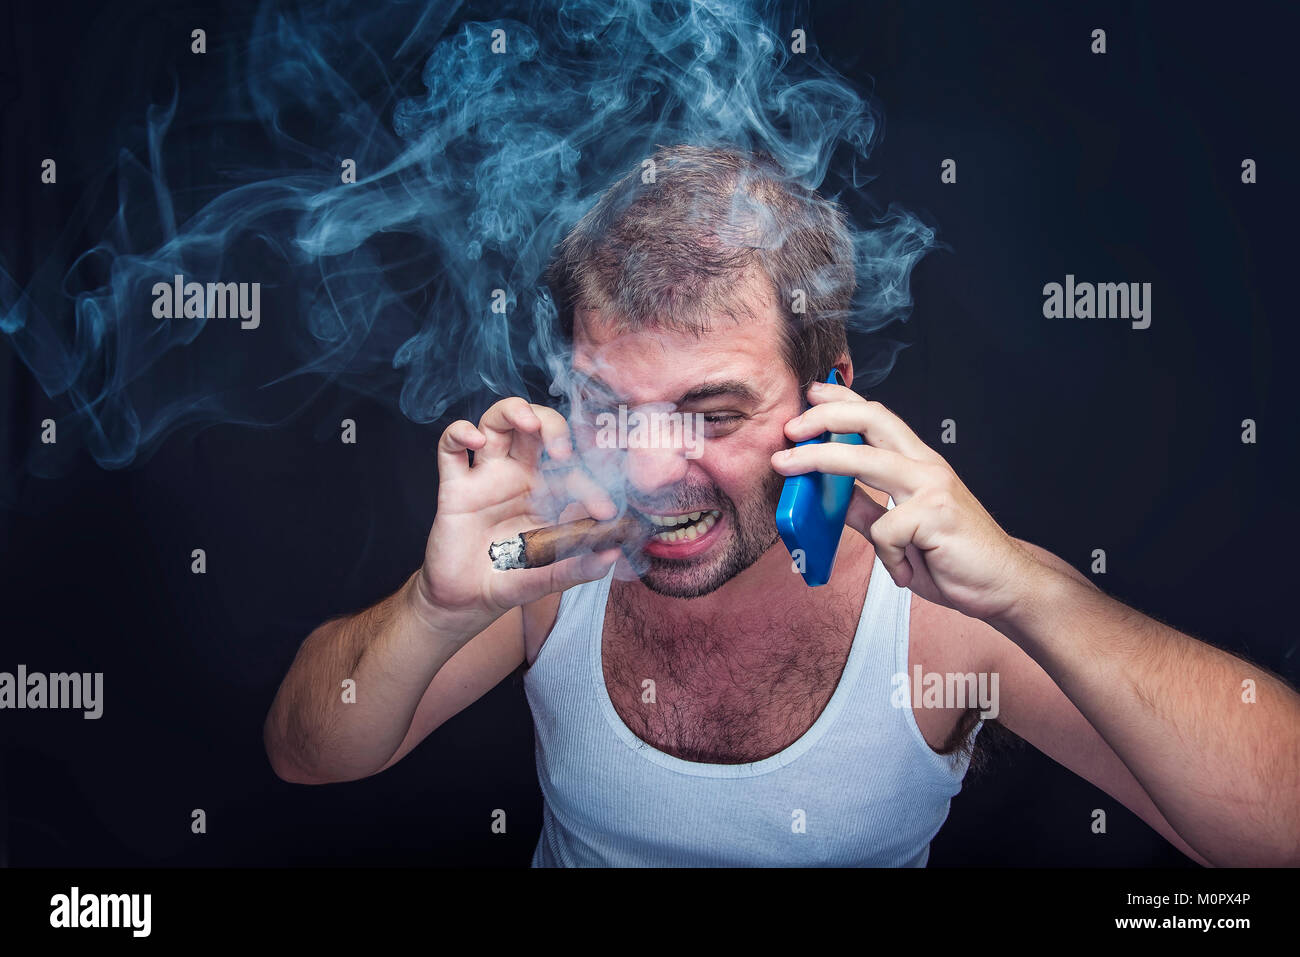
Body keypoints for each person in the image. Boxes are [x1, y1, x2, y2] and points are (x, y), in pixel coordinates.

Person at [263, 145, 1300, 867]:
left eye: (711, 412)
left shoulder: (946, 609)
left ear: (827, 393)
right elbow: (306, 755)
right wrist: (439, 610)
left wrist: (1030, 593)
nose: (654, 469)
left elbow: (1277, 828)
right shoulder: (553, 558)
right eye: (609, 407)